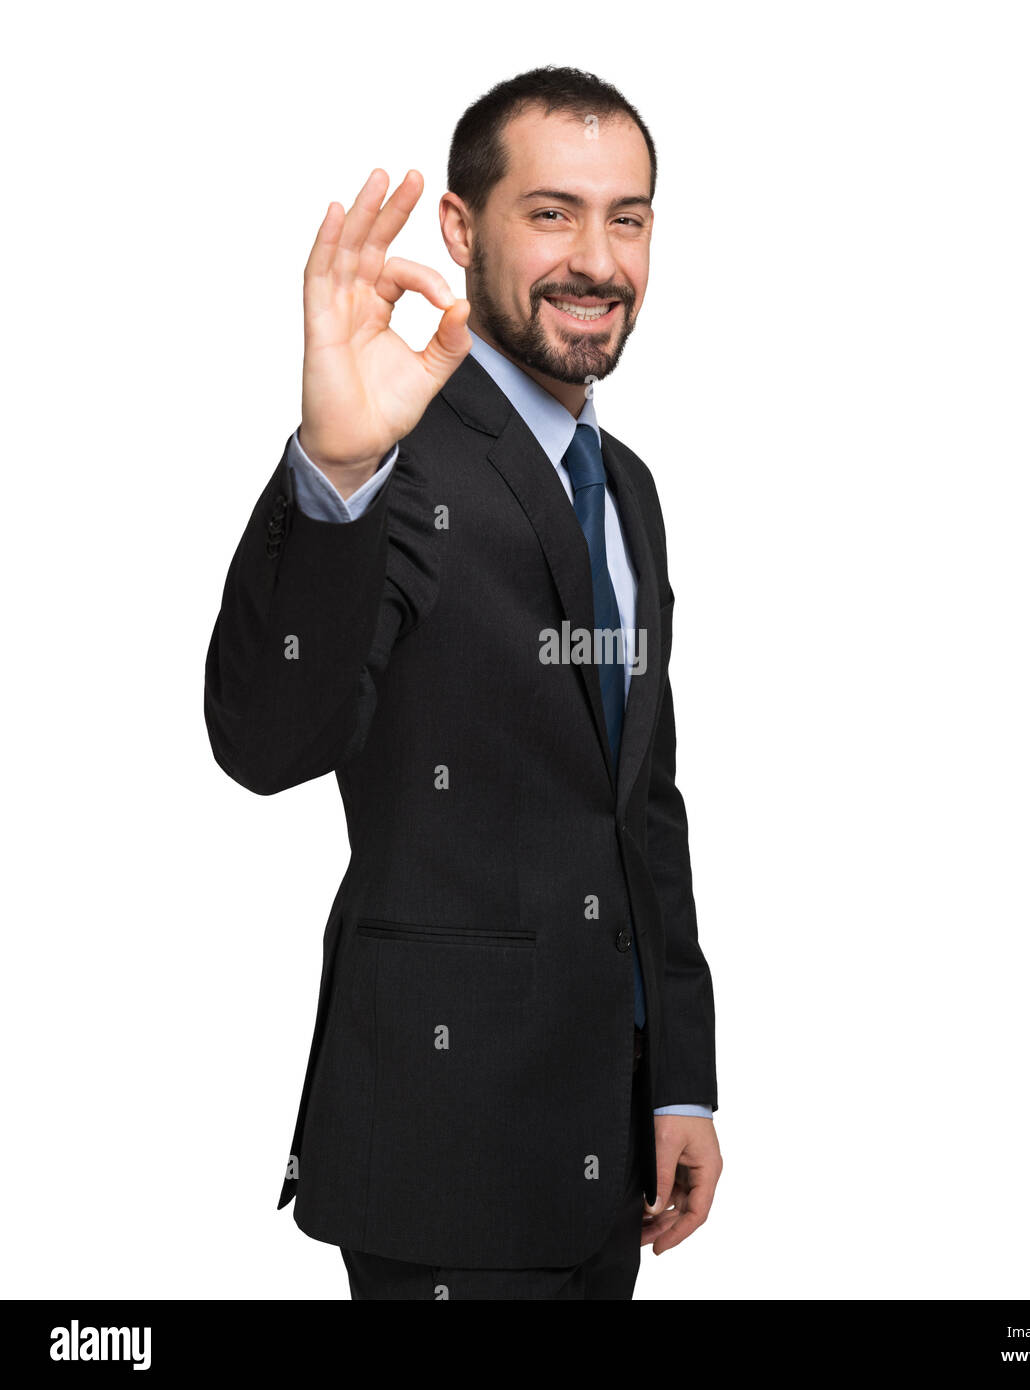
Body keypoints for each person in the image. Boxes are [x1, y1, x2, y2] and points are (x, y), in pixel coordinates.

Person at [204, 65, 720, 1300]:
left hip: (607, 1142)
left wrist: (680, 1075)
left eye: (627, 216)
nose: (596, 258)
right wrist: (335, 473)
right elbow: (269, 737)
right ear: (460, 228)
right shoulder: (391, 451)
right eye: (550, 213)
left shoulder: (629, 490)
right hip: (443, 1147)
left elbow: (639, 804)